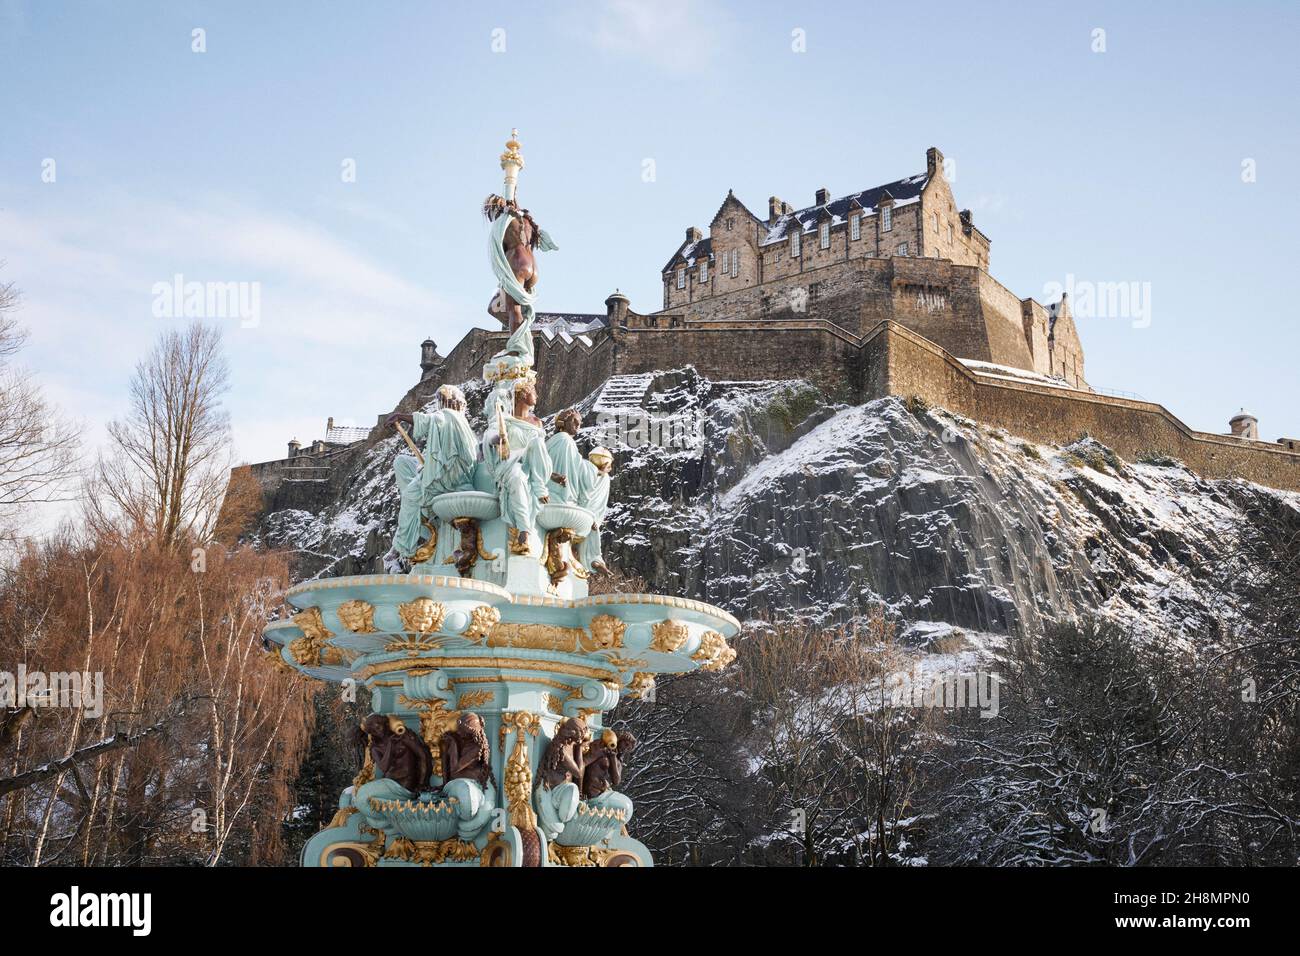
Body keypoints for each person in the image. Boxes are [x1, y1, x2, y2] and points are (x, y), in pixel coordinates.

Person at [382, 385, 477, 571]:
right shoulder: (460, 422)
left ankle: (402, 549)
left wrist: (401, 416)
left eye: (442, 399)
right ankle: (418, 523)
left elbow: (429, 420)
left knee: (410, 495)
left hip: (449, 477)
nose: (441, 403)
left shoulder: (449, 415)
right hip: (454, 473)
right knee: (402, 462)